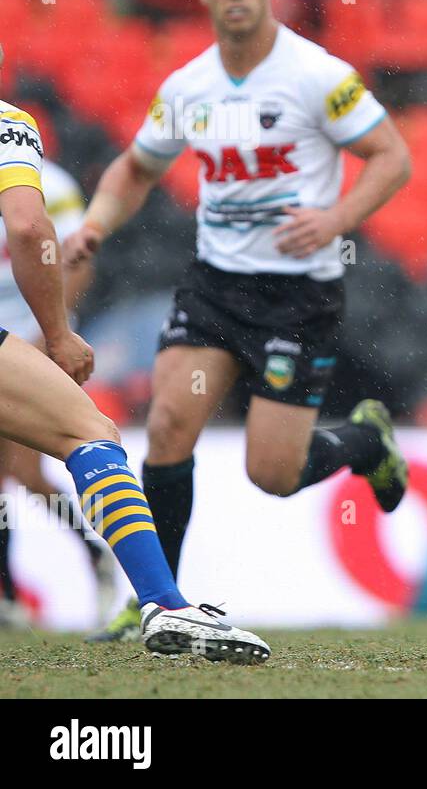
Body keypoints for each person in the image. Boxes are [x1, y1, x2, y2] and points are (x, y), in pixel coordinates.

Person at [63, 0, 412, 642]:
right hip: (215, 288)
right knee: (165, 426)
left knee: (272, 473)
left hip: (297, 296)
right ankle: (155, 600)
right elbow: (136, 166)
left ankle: (365, 441)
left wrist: (336, 217)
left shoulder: (316, 74)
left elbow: (391, 157)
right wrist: (96, 224)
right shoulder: (190, 87)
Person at [0, 44, 268, 662]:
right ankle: (165, 605)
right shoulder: (9, 122)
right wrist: (59, 334)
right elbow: (29, 228)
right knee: (89, 434)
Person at [0, 157, 115, 627]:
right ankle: (8, 591)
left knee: (24, 472)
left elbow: (76, 259)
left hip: (34, 330)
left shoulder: (49, 182)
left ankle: (92, 553)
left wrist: (51, 331)